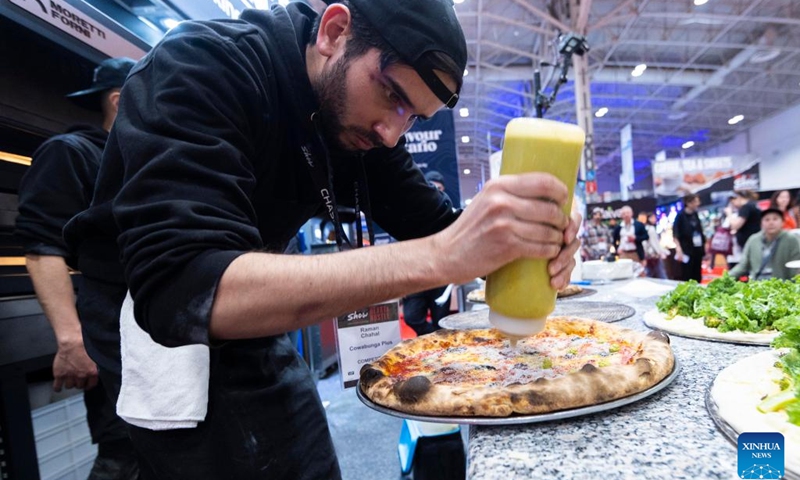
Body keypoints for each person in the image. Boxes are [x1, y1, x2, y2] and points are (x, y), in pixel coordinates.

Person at [62, 2, 581, 478]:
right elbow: (184, 288)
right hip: (146, 318)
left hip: (251, 307)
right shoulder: (202, 64)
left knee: (306, 459)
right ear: (335, 31)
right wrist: (441, 257)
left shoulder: (362, 124)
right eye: (393, 95)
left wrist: (523, 241)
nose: (392, 134)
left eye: (413, 117)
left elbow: (441, 228)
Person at [15, 58, 139, 480]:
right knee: (125, 458)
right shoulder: (72, 153)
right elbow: (42, 248)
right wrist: (71, 340)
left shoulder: (146, 163)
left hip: (161, 347)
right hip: (113, 348)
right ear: (120, 101)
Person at [402, 170, 454, 336]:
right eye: (433, 187)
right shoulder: (411, 210)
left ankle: (438, 351)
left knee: (442, 320)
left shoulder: (448, 211)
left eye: (440, 188)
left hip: (441, 275)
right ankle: (433, 338)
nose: (437, 191)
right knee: (412, 317)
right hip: (416, 273)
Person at [729, 208, 800, 281]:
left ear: (782, 222)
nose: (771, 223)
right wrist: (726, 278)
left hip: (782, 284)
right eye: (767, 220)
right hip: (757, 283)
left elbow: (795, 266)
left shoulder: (791, 239)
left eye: (775, 219)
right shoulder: (753, 240)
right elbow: (743, 265)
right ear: (761, 223)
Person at [672, 194, 706, 282]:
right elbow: (676, 234)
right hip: (686, 249)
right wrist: (678, 249)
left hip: (697, 249)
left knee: (697, 273)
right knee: (687, 273)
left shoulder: (695, 214)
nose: (698, 204)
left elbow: (700, 231)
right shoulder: (680, 216)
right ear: (688, 203)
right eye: (695, 201)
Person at [642, 212, 668, 279]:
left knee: (650, 272)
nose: (655, 219)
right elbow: (654, 243)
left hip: (649, 255)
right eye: (653, 217)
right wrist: (660, 252)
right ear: (649, 218)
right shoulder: (651, 229)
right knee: (660, 273)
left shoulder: (646, 228)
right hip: (654, 254)